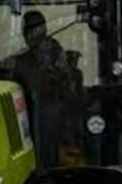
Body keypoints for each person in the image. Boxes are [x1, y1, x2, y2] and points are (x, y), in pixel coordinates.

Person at [8, 10, 82, 164]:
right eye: (28, 31)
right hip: (26, 109)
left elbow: (57, 81)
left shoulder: (53, 52)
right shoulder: (23, 59)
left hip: (50, 110)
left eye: (35, 29)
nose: (30, 35)